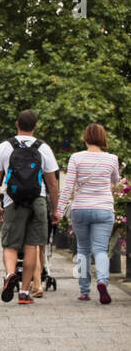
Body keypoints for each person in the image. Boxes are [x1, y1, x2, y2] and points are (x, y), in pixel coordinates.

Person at [0, 110, 60, 304]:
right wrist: (55, 209)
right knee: (32, 246)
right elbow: (52, 183)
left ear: (16, 124)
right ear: (35, 126)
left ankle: (10, 274)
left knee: (10, 245)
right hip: (37, 200)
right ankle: (24, 292)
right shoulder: (43, 147)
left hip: (13, 200)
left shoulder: (5, 146)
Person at [55, 123, 121, 303]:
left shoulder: (76, 157)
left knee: (83, 250)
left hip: (81, 209)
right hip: (104, 209)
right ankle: (102, 281)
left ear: (85, 138)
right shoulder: (112, 159)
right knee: (100, 249)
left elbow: (68, 187)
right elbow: (115, 181)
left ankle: (84, 291)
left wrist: (59, 211)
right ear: (103, 138)